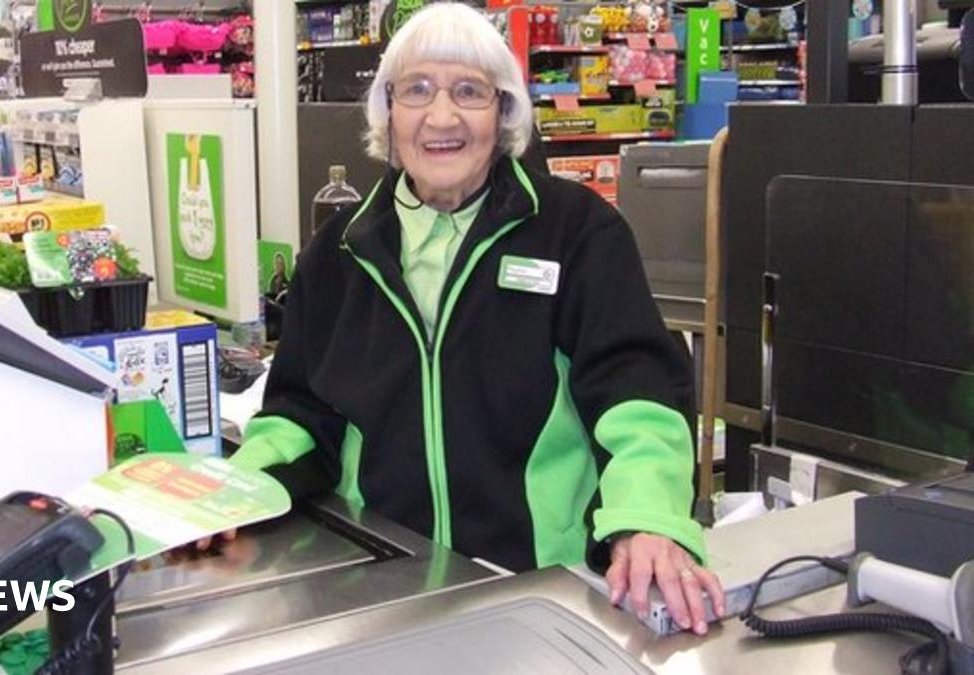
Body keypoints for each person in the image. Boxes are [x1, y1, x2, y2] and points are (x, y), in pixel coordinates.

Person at [226, 3, 725, 635]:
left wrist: (649, 519)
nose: (442, 116)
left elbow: (639, 396)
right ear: (389, 115)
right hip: (384, 590)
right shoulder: (340, 253)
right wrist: (228, 500)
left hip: (539, 587)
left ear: (505, 112)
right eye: (416, 91)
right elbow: (299, 413)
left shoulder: (575, 231)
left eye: (469, 91)